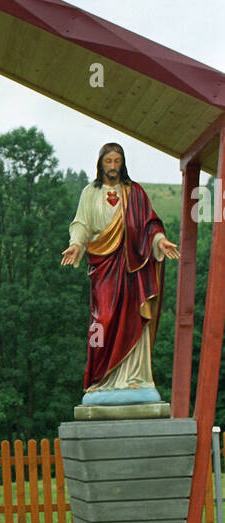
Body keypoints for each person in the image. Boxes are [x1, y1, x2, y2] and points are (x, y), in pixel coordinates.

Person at [61, 143, 179, 397]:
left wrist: (160, 241)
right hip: (103, 266)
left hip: (132, 268)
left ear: (122, 163)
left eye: (117, 161)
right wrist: (75, 245)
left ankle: (135, 377)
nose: (113, 166)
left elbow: (149, 225)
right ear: (100, 163)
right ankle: (100, 378)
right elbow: (81, 224)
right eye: (108, 161)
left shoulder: (134, 192)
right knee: (102, 319)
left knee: (133, 318)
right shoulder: (90, 193)